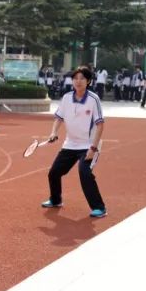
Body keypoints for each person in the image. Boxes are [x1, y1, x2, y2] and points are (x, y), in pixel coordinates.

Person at [41, 65, 107, 219]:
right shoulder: (66, 98)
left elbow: (100, 124)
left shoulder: (93, 99)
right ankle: (55, 200)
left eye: (82, 78)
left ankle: (99, 207)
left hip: (88, 145)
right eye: (75, 78)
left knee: (84, 172)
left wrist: (93, 147)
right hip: (70, 144)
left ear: (88, 81)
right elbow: (59, 118)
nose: (78, 81)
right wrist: (53, 133)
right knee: (54, 173)